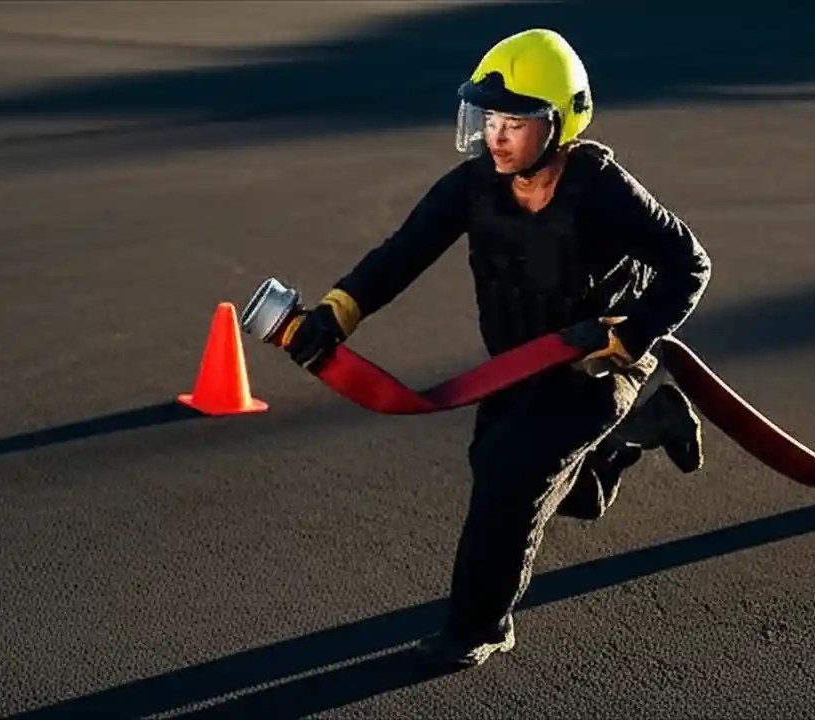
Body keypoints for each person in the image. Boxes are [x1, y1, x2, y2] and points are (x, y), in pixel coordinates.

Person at [281, 28, 712, 669]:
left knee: (511, 480)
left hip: (596, 365)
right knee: (525, 474)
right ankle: (645, 431)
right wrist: (334, 316)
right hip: (517, 367)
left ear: (560, 122)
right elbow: (402, 254)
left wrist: (632, 338)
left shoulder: (602, 190)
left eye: (517, 121)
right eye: (490, 119)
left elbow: (690, 264)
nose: (497, 135)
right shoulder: (473, 186)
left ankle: (477, 627)